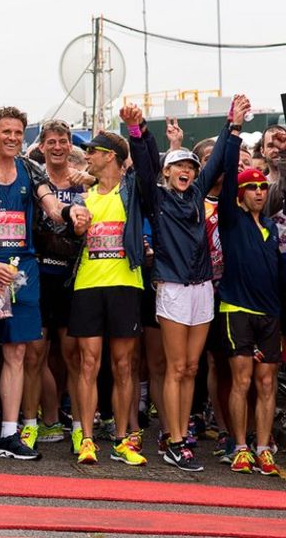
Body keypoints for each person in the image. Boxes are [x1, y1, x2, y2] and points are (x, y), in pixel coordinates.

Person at [0, 106, 88, 463]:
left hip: (24, 270)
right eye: (5, 132)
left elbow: (51, 206)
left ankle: (10, 433)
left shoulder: (30, 169)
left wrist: (71, 214)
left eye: (17, 133)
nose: (11, 138)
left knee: (18, 352)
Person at [125, 101, 232, 471]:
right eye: (179, 166)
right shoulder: (158, 199)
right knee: (174, 367)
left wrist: (232, 125)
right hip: (171, 287)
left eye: (190, 166)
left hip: (203, 288)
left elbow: (217, 161)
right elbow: (142, 164)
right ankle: (172, 439)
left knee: (191, 367)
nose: (186, 171)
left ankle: (182, 434)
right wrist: (137, 132)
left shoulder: (199, 198)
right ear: (166, 173)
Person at [68, 129, 147, 467]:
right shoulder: (82, 198)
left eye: (93, 151)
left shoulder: (131, 193)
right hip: (87, 285)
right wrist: (74, 226)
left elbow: (146, 167)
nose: (88, 156)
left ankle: (121, 439)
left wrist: (136, 132)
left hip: (125, 284)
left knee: (124, 365)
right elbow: (72, 234)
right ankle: (86, 439)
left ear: (111, 156)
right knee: (88, 363)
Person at [218, 106, 283, 477]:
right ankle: (240, 446)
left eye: (262, 187)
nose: (259, 192)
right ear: (240, 195)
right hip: (236, 309)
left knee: (267, 381)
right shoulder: (231, 220)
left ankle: (263, 446)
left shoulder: (272, 228)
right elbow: (227, 177)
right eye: (251, 188)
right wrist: (235, 129)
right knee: (241, 380)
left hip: (270, 313)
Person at [24, 119, 89, 452]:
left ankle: (80, 429)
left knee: (73, 358)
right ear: (42, 146)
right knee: (34, 355)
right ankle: (31, 425)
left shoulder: (82, 183)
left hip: (72, 276)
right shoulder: (34, 179)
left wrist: (89, 183)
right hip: (38, 273)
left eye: (63, 141)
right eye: (52, 142)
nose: (58, 147)